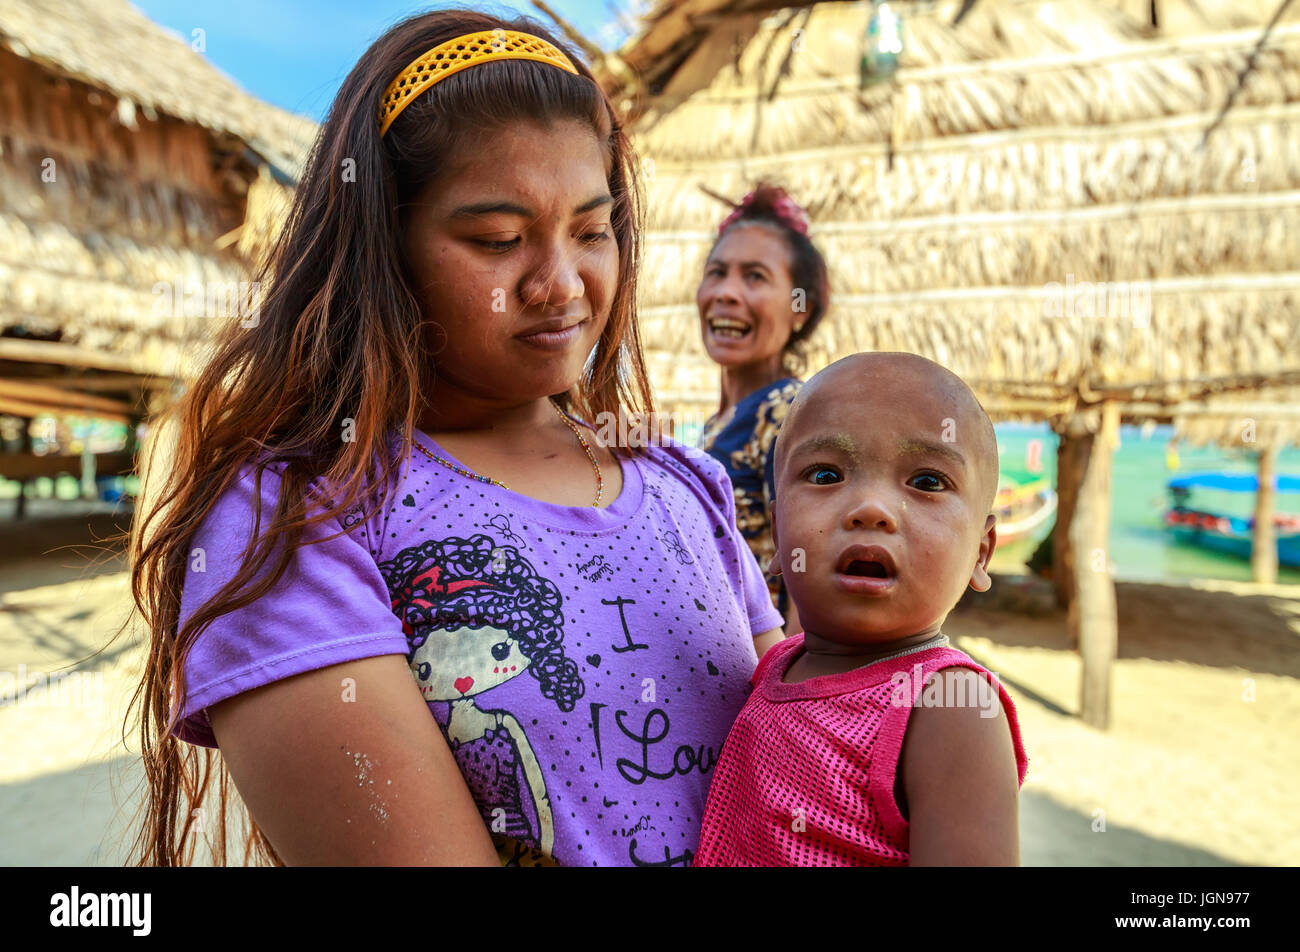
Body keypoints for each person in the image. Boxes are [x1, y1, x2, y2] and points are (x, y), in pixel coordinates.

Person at [119, 10, 784, 867]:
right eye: (498, 240)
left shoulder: (687, 488)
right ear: (382, 246)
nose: (559, 284)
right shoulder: (298, 522)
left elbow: (807, 754)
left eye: (591, 231)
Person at [694, 352, 1029, 866]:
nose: (870, 508)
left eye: (927, 482)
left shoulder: (948, 707)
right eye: (825, 474)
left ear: (981, 553)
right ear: (780, 533)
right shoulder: (774, 669)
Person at [696, 184, 830, 637]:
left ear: (799, 309)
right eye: (717, 273)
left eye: (755, 276)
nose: (727, 292)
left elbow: (807, 575)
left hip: (764, 673)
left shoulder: (786, 411)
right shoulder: (722, 424)